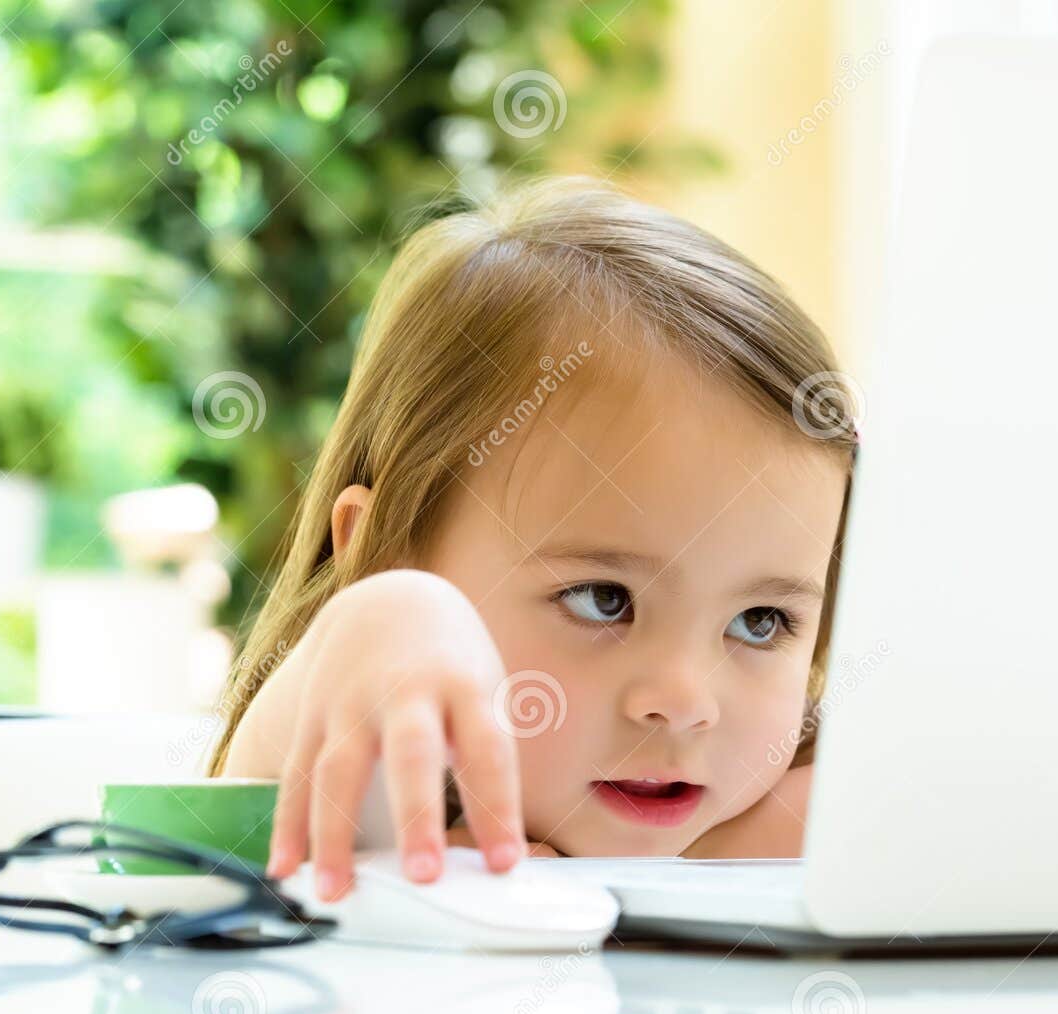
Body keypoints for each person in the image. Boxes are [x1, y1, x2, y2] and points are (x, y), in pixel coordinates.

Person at [209, 176, 859, 901]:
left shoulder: (798, 812)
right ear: (382, 552)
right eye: (603, 600)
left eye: (760, 622)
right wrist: (383, 616)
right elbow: (248, 792)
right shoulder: (363, 793)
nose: (683, 700)